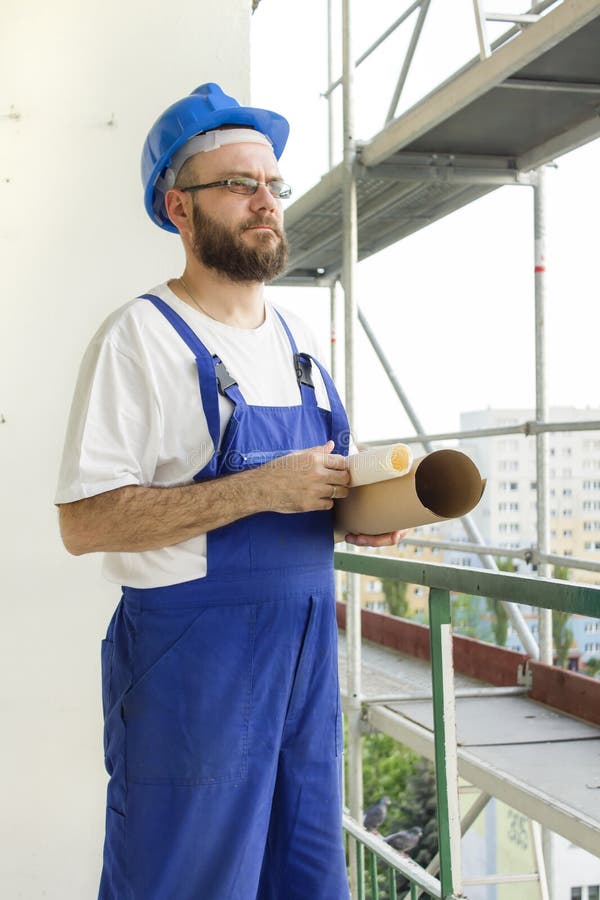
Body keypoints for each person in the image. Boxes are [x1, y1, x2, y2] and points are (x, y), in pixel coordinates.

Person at [56, 82, 400, 900]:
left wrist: (362, 514)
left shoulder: (297, 337)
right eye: (240, 185)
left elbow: (305, 491)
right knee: (186, 883)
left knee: (306, 878)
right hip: (193, 670)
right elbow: (82, 522)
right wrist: (259, 488)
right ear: (180, 207)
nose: (266, 203)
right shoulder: (138, 337)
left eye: (273, 185)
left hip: (305, 659)